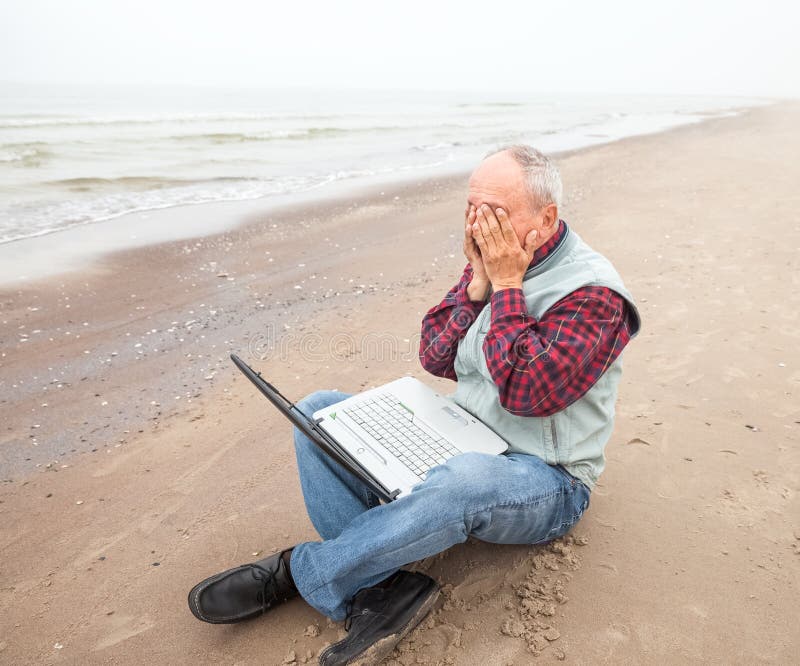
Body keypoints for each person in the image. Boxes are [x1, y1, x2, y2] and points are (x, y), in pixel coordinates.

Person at [187, 145, 641, 665]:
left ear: (546, 219)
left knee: (465, 482)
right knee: (317, 412)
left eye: (495, 212)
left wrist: (509, 287)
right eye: (473, 207)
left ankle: (305, 570)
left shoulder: (596, 295)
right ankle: (383, 585)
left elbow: (526, 393)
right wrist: (476, 288)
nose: (478, 222)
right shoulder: (492, 265)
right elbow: (436, 356)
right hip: (464, 435)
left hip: (545, 479)